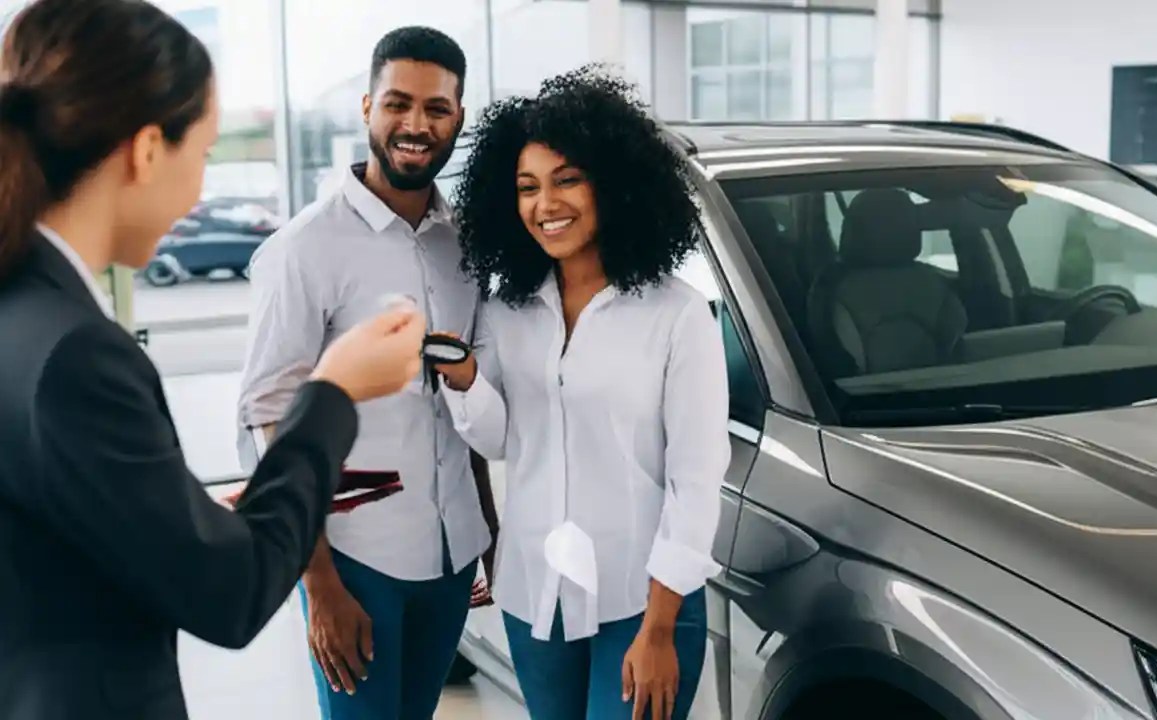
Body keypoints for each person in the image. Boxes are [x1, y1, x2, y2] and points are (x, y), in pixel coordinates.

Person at [0, 2, 427, 719]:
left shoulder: (20, 304)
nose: (198, 191)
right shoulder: (77, 354)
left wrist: (174, 501)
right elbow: (230, 593)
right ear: (144, 151)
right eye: (202, 156)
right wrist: (333, 392)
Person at [437, 66, 730, 720]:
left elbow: (697, 479)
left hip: (644, 601)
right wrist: (465, 381)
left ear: (614, 185)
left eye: (567, 179)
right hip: (534, 592)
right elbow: (500, 440)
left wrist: (658, 630)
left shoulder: (676, 315)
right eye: (527, 187)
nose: (547, 204)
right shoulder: (506, 310)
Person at [236, 25, 499, 720]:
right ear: (367, 109)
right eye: (398, 104)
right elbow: (270, 418)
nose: (416, 125)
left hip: (450, 555)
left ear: (458, 119)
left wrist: (491, 535)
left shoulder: (466, 244)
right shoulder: (304, 249)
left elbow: (461, 408)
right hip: (354, 560)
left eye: (436, 109)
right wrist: (317, 583)